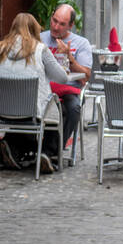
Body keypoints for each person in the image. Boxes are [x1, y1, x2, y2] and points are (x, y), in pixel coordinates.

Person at [0, 13, 70, 172]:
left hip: (3, 113)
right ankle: (46, 152)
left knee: (21, 118)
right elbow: (62, 78)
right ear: (34, 29)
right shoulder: (40, 50)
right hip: (33, 112)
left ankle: (14, 149)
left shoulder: (1, 48)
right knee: (59, 110)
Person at [41, 3, 91, 153]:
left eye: (62, 24)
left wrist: (69, 57)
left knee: (73, 108)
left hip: (69, 90)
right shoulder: (40, 38)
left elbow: (86, 77)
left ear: (71, 25)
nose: (56, 27)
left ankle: (52, 152)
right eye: (54, 21)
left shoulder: (81, 43)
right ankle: (15, 147)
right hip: (43, 89)